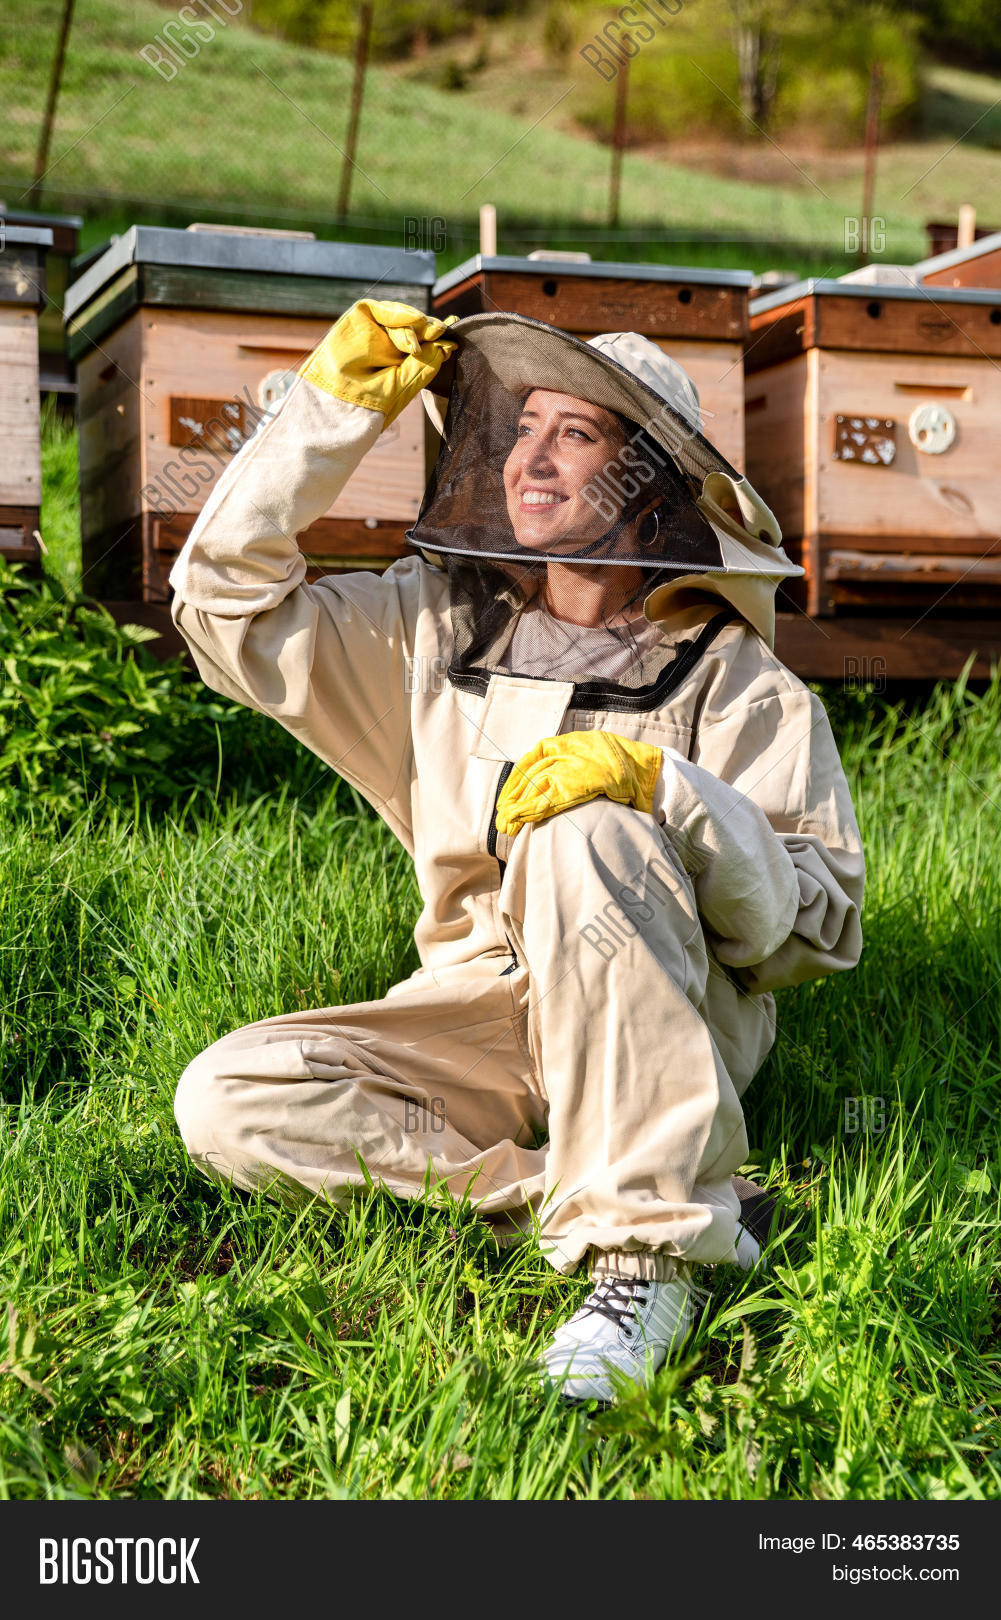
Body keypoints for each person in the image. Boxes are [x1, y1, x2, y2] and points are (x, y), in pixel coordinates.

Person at [169, 299, 865, 1406]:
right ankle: (619, 1189)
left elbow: (819, 928)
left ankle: (646, 1263)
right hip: (473, 1019)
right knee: (228, 1099)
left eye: (574, 434)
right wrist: (327, 413)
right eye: (520, 428)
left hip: (661, 1016)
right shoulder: (432, 630)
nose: (528, 459)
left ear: (648, 483)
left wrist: (665, 795)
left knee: (584, 828)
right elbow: (221, 608)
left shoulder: (738, 684)